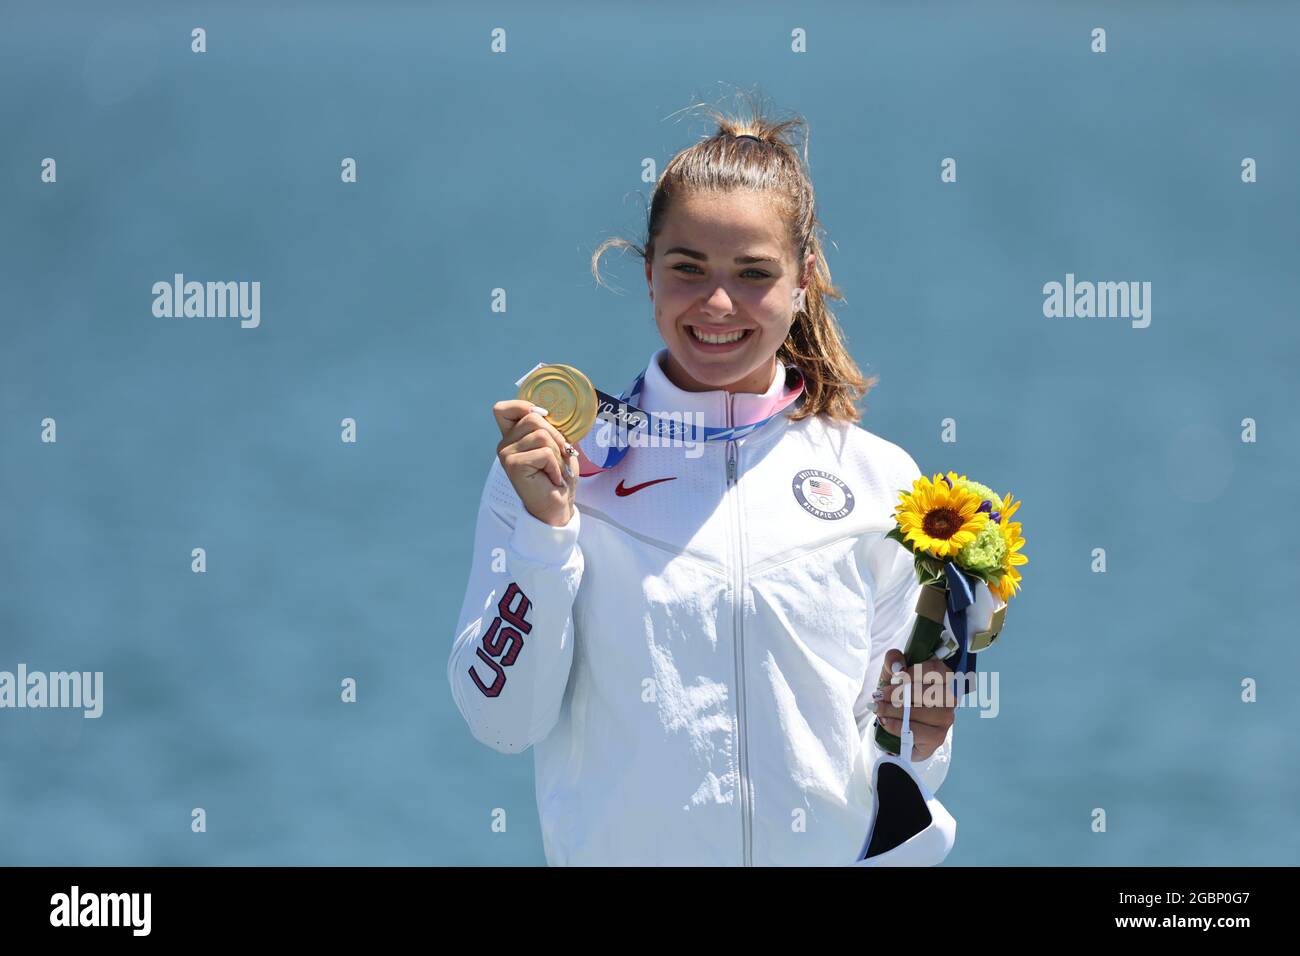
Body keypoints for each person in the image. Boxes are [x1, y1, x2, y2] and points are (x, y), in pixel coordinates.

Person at [446, 102, 958, 866]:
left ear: (803, 280)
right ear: (648, 272)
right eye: (688, 268)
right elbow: (501, 722)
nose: (717, 304)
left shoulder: (881, 483)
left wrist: (925, 730)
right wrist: (545, 539)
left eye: (753, 274)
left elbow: (896, 766)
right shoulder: (556, 469)